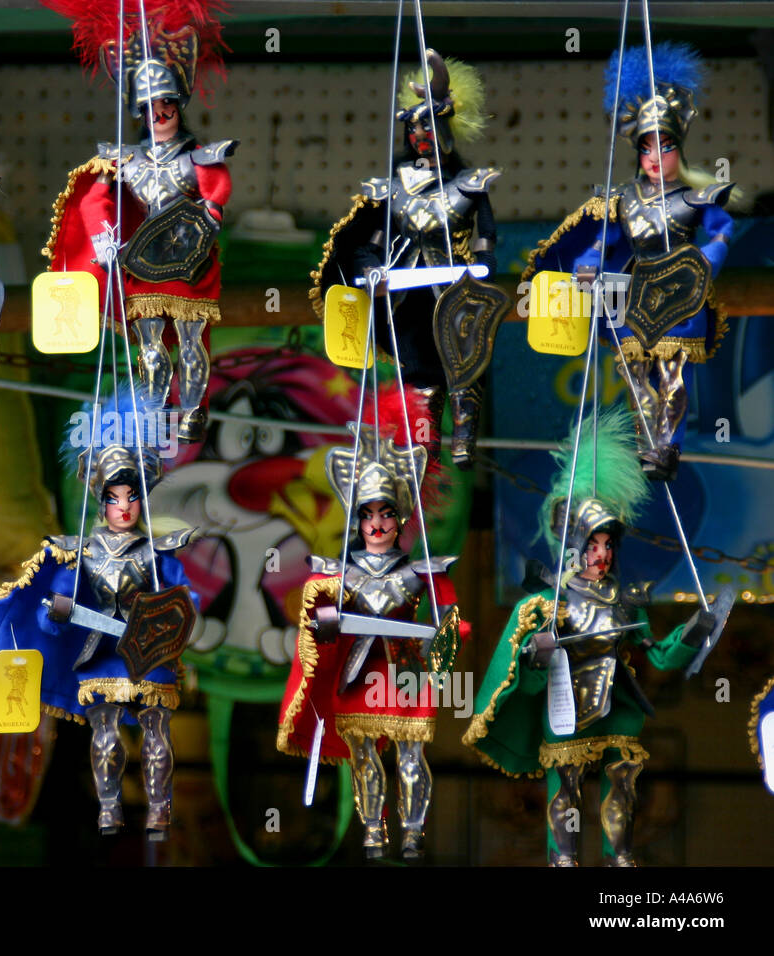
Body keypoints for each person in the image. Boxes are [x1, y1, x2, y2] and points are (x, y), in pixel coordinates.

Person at [463, 409, 715, 866]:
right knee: (567, 783)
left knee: (623, 779)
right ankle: (565, 858)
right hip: (564, 705)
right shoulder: (542, 606)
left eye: (608, 544)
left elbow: (654, 659)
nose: (602, 554)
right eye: (593, 544)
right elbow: (515, 669)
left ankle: (619, 855)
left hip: (617, 703)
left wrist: (691, 635)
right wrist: (536, 659)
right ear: (574, 544)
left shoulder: (625, 600)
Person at [0, 394, 198, 840]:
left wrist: (175, 622)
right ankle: (110, 805)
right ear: (99, 499)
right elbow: (54, 612)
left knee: (157, 724)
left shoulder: (158, 552)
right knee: (105, 726)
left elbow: (181, 601)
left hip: (148, 653)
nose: (123, 505)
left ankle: (160, 805)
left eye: (131, 495)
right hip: (98, 655)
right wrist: (55, 617)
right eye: (113, 496)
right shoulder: (77, 554)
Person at [522, 43, 733, 481]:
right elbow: (601, 242)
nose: (656, 156)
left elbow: (722, 230)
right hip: (633, 300)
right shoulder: (621, 201)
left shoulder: (697, 198)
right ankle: (649, 444)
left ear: (679, 147)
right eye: (647, 147)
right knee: (638, 379)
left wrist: (708, 259)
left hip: (679, 297)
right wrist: (585, 266)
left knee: (673, 375)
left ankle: (668, 447)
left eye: (666, 144)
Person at [277, 389, 459, 861]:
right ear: (357, 520)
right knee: (362, 753)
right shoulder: (335, 574)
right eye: (368, 514)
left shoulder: (423, 573)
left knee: (413, 754)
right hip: (356, 676)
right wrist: (324, 621)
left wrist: (444, 640)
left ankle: (414, 829)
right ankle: (374, 828)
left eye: (385, 514)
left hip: (405, 676)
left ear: (400, 519)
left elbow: (453, 623)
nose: (377, 523)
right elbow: (313, 622)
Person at [43, 0, 235, 443]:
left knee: (190, 342)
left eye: (166, 102)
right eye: (151, 105)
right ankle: (150, 410)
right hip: (140, 263)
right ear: (139, 110)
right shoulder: (123, 159)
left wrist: (209, 214)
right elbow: (97, 198)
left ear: (178, 102)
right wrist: (101, 238)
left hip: (191, 263)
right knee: (149, 348)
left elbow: (215, 185)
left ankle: (191, 411)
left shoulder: (198, 156)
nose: (159, 112)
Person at [310, 50, 502, 466]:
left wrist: (484, 269)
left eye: (429, 127)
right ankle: (425, 440)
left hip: (455, 290)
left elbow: (486, 237)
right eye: (415, 130)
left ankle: (464, 433)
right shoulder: (392, 190)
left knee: (464, 365)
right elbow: (373, 242)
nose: (422, 137)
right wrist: (367, 269)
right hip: (406, 296)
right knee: (417, 373)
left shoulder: (470, 185)